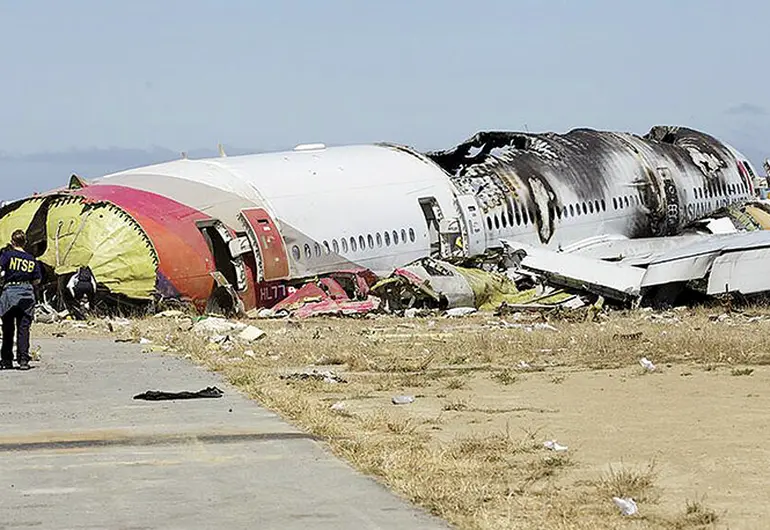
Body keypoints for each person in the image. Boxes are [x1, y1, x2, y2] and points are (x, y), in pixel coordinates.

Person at [0, 230, 42, 370]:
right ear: (25, 242)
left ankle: (6, 360)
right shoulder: (31, 259)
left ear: (12, 242)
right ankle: (23, 359)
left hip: (10, 293)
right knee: (24, 328)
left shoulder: (7, 255)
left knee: (8, 328)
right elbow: (37, 280)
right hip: (27, 294)